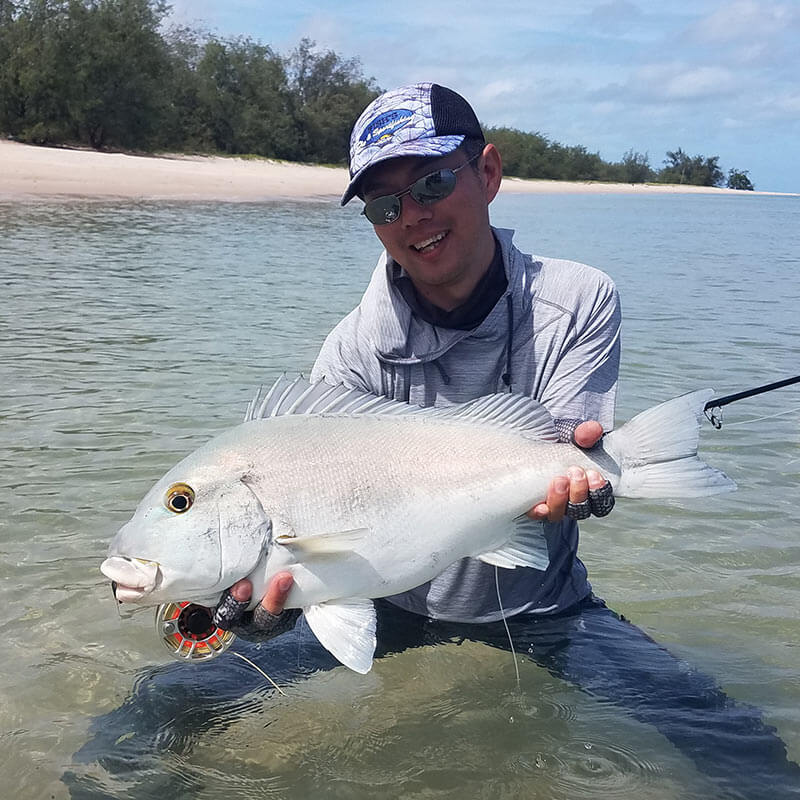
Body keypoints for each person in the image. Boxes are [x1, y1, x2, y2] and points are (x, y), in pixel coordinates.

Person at [211, 83, 800, 797]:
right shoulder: (349, 355)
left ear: (488, 174)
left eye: (432, 183)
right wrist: (269, 612)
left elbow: (559, 465)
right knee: (154, 713)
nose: (413, 218)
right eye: (385, 205)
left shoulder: (580, 300)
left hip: (544, 610)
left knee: (742, 750)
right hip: (388, 607)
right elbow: (326, 542)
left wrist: (589, 487)